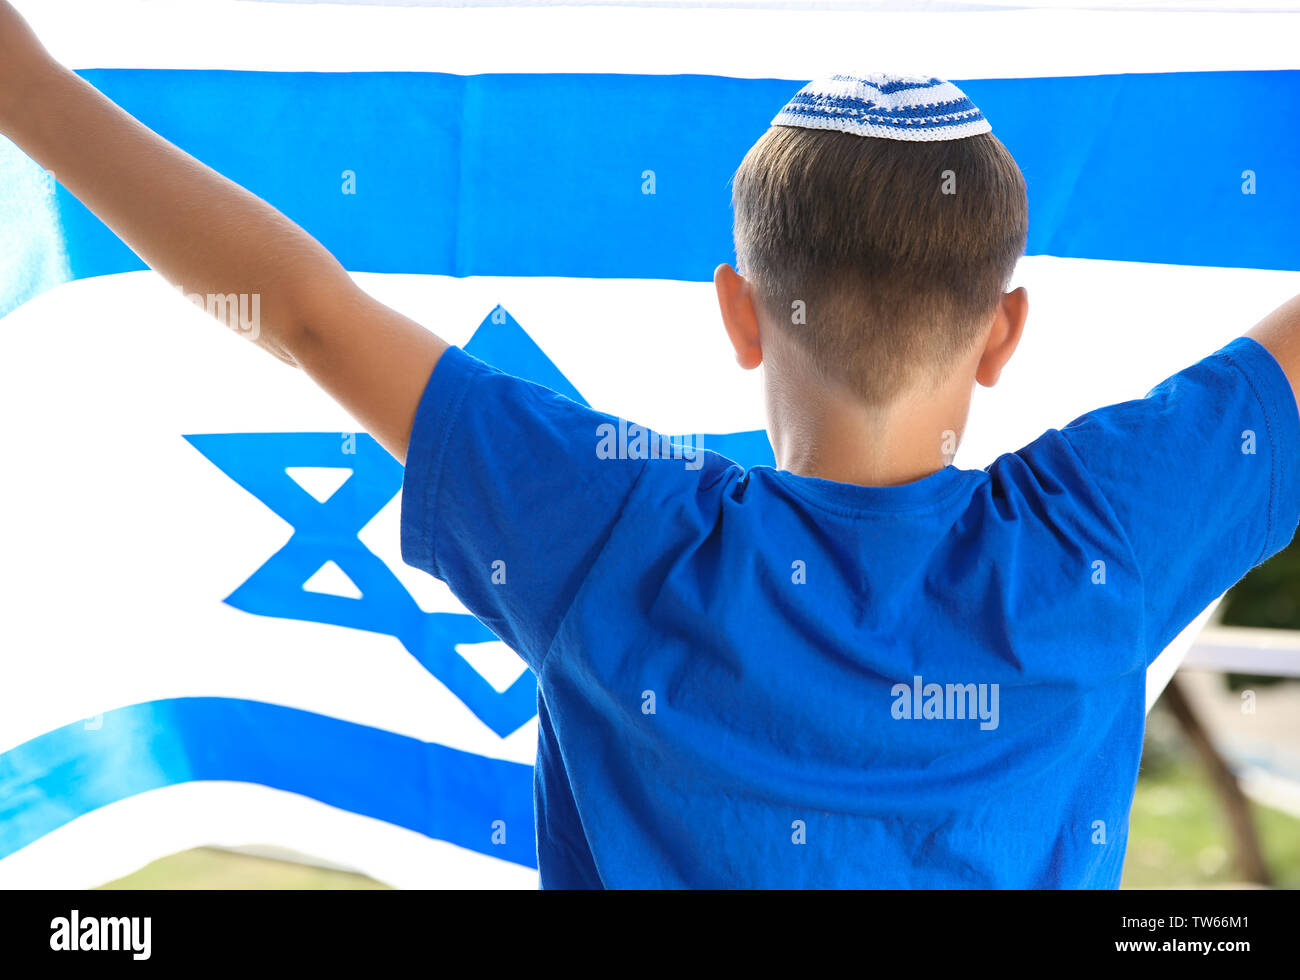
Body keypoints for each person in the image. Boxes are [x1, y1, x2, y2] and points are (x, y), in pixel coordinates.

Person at [2, 3, 1297, 887]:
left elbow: (306, 316)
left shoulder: (620, 535)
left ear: (738, 310)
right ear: (1004, 330)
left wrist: (30, 91)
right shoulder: (1101, 540)